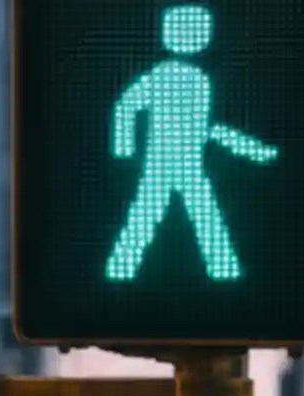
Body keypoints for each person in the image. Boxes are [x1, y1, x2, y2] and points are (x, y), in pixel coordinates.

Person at [106, 4, 279, 282]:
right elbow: (125, 105)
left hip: (188, 162)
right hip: (163, 162)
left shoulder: (199, 80)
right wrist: (123, 149)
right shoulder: (161, 76)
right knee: (151, 218)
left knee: (201, 216)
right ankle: (122, 269)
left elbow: (202, 126)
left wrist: (245, 146)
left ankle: (223, 270)